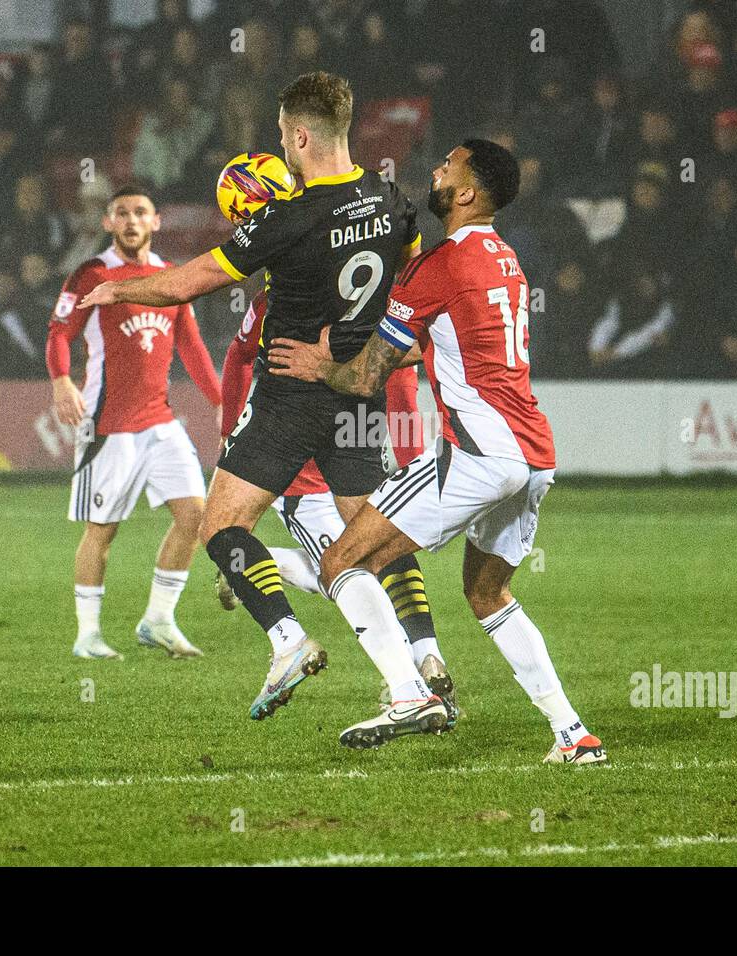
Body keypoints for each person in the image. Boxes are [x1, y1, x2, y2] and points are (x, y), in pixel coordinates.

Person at [78, 72, 440, 731]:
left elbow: (191, 282)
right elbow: (414, 287)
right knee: (362, 543)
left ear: (300, 136)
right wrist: (367, 353)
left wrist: (120, 290)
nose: (281, 143)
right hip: (358, 397)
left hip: (289, 396)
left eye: (281, 134)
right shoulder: (393, 200)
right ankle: (413, 683)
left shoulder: (289, 217)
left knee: (222, 525)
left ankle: (288, 641)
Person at [269, 140, 607, 764]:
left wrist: (321, 363)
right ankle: (572, 734)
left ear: (468, 192)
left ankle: (410, 693)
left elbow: (367, 375)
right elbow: (449, 344)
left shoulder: (441, 266)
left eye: (447, 167)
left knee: (343, 559)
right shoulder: (505, 259)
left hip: (477, 452)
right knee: (488, 595)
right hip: (533, 453)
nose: (435, 172)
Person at [218, 285, 456, 720]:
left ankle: (407, 686)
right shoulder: (376, 300)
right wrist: (411, 457)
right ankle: (425, 655)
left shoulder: (277, 299)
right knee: (379, 550)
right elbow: (400, 374)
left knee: (346, 568)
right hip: (348, 453)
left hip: (305, 470)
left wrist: (231, 433)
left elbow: (238, 355)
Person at [47, 186, 223, 661]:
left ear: (156, 221)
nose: (131, 220)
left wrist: (221, 400)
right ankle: (88, 634)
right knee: (102, 531)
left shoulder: (171, 276)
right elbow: (59, 332)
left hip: (160, 421)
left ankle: (159, 620)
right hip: (109, 425)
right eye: (121, 213)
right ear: (108, 223)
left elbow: (191, 345)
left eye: (140, 212)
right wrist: (62, 380)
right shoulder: (92, 274)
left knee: (195, 515)